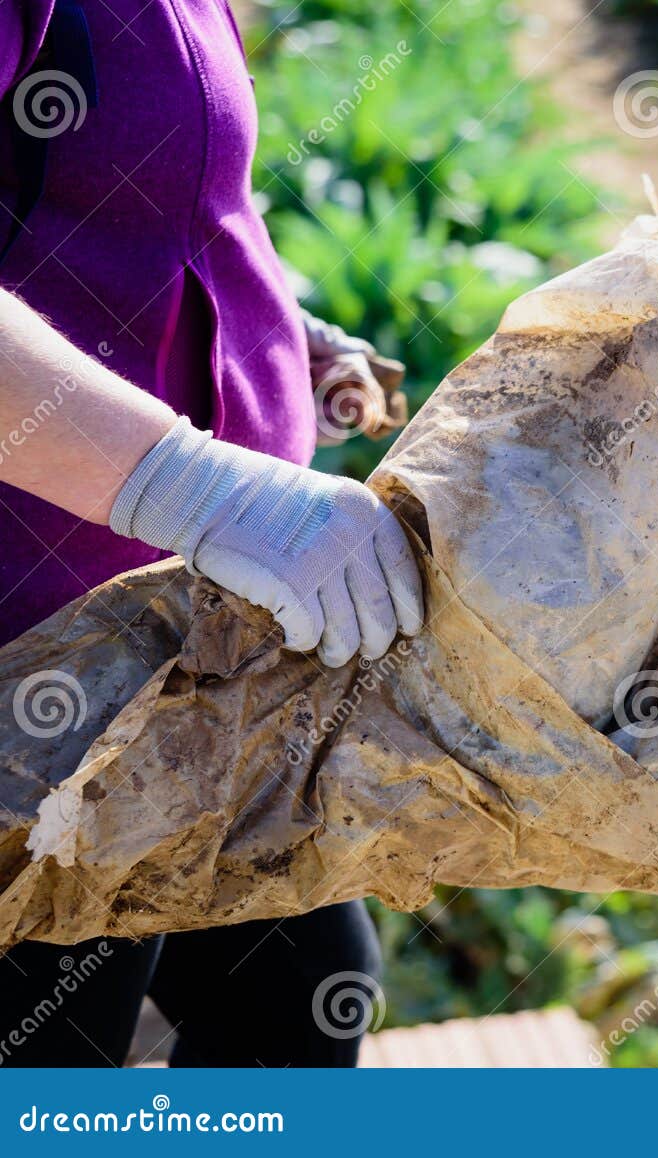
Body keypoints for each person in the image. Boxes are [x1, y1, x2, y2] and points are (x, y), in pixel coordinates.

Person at [0, 1, 423, 1066]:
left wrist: (272, 332)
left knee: (301, 993)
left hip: (183, 649)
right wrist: (200, 489)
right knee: (59, 1054)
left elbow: (155, 196)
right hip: (33, 679)